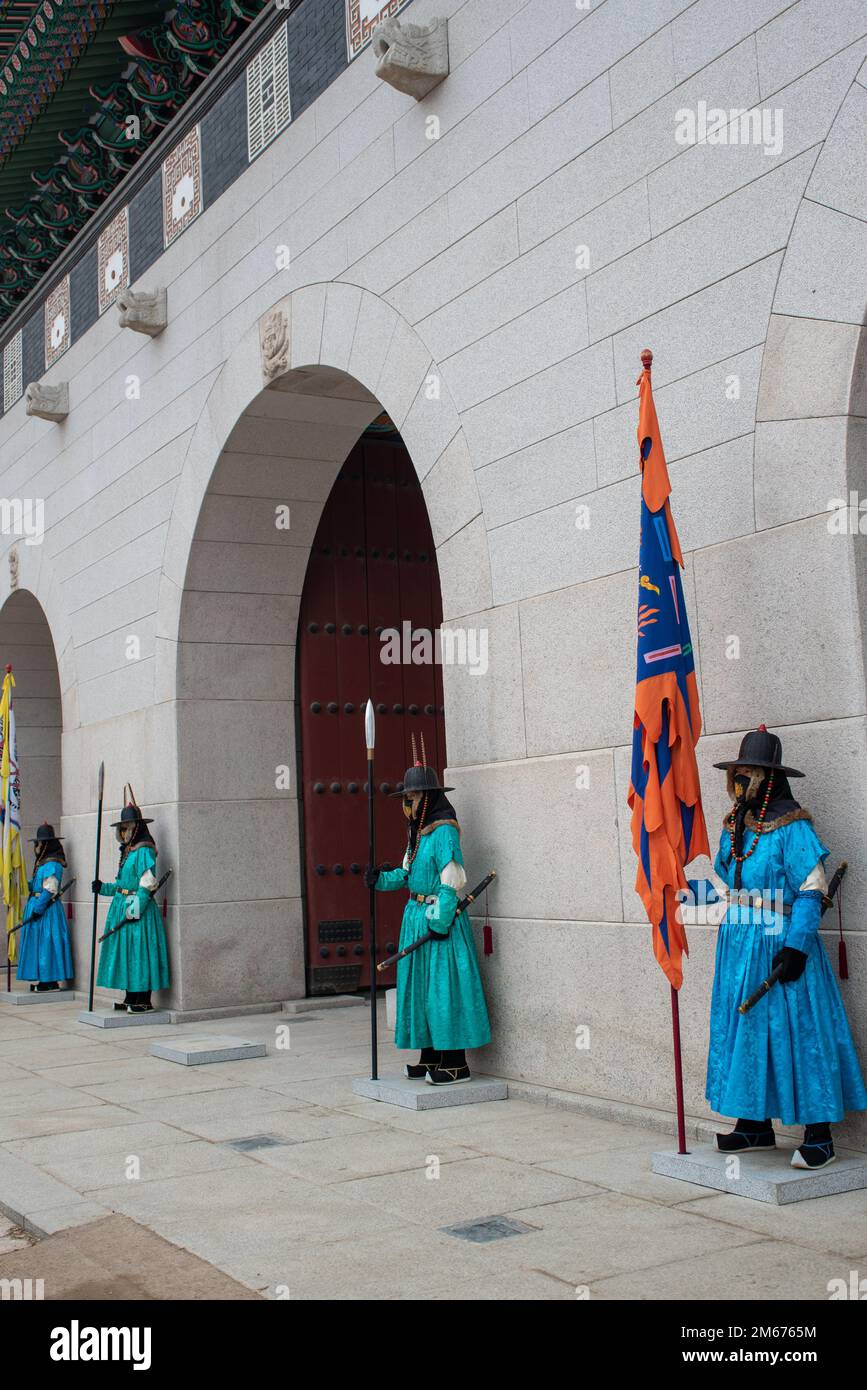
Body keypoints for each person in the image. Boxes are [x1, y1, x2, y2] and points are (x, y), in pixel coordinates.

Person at [700, 725, 866, 1169]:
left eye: (747, 773)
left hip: (780, 943)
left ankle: (819, 1136)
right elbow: (723, 877)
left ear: (768, 778)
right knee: (745, 1030)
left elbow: (812, 891)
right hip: (739, 943)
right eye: (737, 772)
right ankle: (753, 1125)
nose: (739, 781)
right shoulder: (734, 826)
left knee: (797, 1032)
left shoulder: (794, 828)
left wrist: (797, 947)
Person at [365, 737, 490, 1084]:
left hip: (439, 922)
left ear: (429, 799)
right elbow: (407, 875)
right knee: (419, 988)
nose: (408, 803)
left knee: (443, 989)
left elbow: (452, 879)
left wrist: (442, 919)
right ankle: (430, 1055)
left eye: (414, 797)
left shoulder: (444, 832)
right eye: (407, 798)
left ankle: (455, 1062)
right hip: (415, 918)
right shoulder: (416, 835)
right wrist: (379, 879)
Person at [93, 792, 168, 1013]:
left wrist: (134, 910)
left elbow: (147, 884)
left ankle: (143, 1000)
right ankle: (130, 997)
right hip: (122, 906)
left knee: (139, 952)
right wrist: (102, 888)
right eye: (122, 827)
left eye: (128, 826)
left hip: (138, 910)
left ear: (137, 827)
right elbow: (121, 884)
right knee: (127, 952)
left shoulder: (144, 849)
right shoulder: (127, 851)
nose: (124, 831)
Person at [17, 823, 72, 992]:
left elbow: (50, 889)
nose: (37, 846)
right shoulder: (42, 863)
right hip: (39, 908)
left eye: (39, 843)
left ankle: (50, 981)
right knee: (39, 944)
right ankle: (44, 980)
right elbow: (37, 886)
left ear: (46, 844)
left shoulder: (52, 864)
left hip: (47, 912)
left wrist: (38, 908)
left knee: (47, 944)